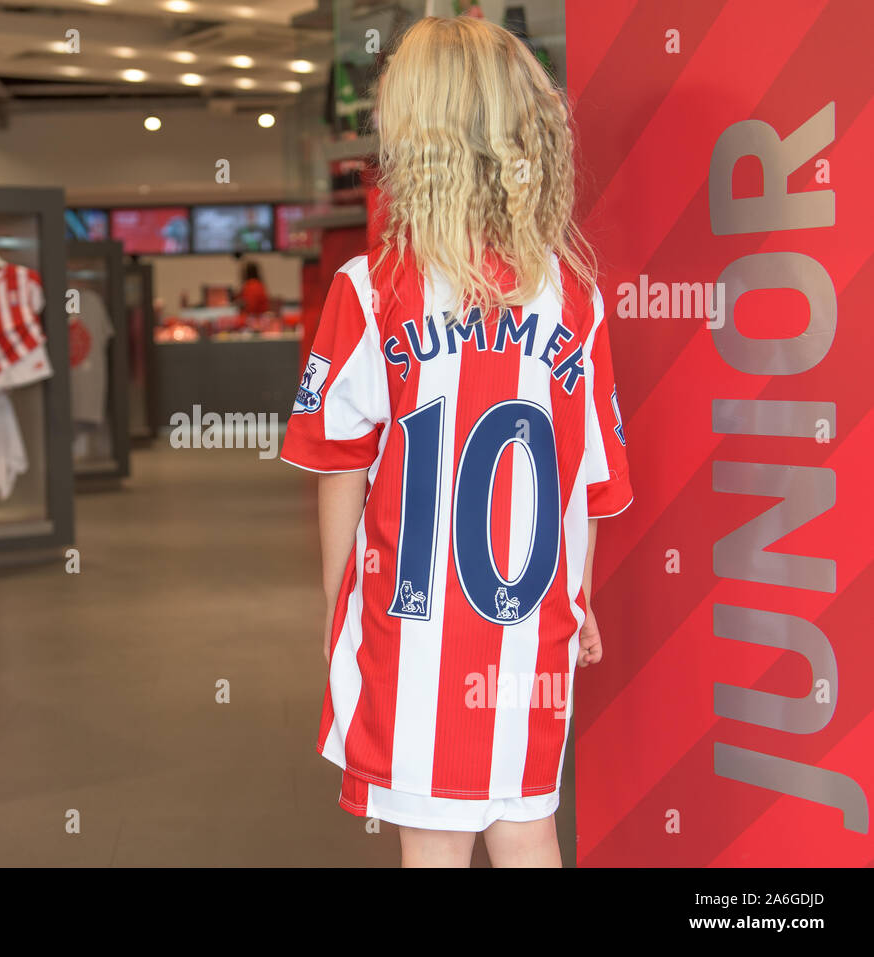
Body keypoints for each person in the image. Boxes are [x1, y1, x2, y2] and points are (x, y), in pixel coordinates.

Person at [280, 16, 632, 868]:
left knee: (433, 844)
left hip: (413, 632)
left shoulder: (368, 291)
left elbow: (339, 462)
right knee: (529, 827)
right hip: (531, 629)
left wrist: (339, 608)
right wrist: (578, 598)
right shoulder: (571, 293)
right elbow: (585, 477)